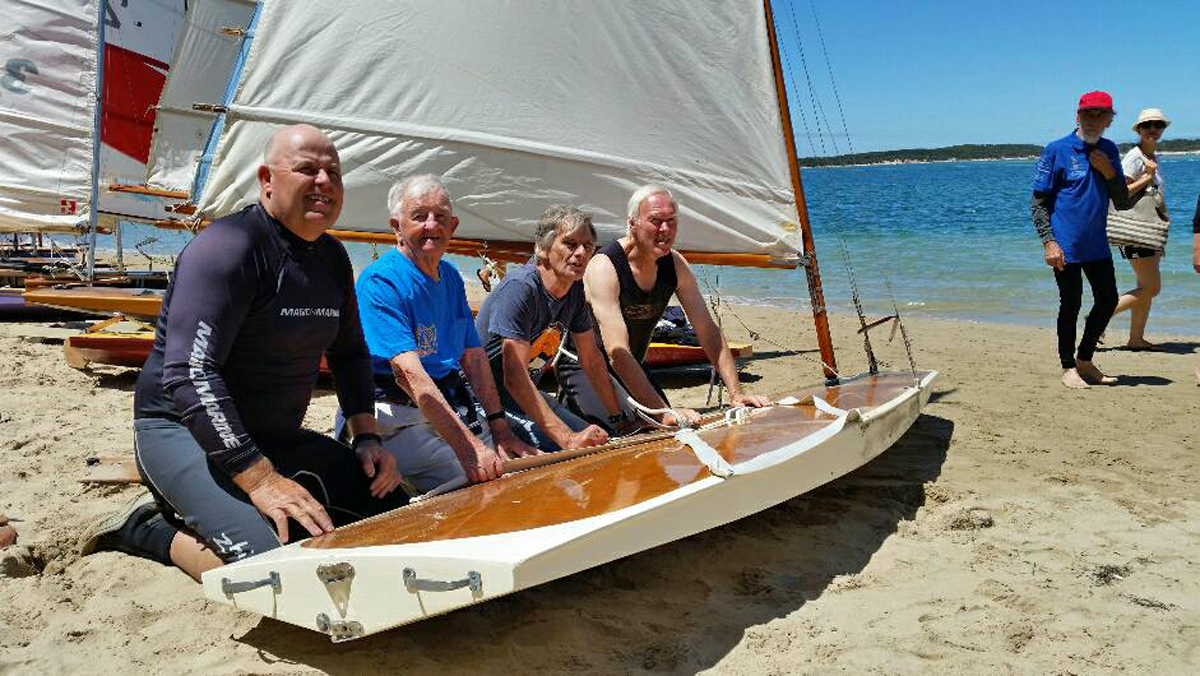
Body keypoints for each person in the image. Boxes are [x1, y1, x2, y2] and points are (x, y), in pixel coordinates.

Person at [82, 125, 407, 580]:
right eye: (307, 169)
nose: (324, 182)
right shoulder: (228, 249)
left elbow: (351, 353)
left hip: (268, 435)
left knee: (391, 504)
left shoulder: (332, 258)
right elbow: (189, 373)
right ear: (266, 179)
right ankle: (145, 528)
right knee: (270, 566)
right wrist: (259, 479)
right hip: (180, 432)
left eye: (333, 172)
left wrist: (368, 438)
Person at [353, 174, 538, 493]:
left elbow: (474, 357)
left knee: (519, 463)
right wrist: (468, 448)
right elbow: (408, 375)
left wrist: (498, 424)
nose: (431, 225)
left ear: (453, 227)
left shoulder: (450, 277)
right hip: (394, 414)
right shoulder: (379, 282)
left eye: (440, 217)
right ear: (396, 225)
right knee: (486, 485)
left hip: (447, 402)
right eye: (419, 216)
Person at [558, 184, 772, 426]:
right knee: (630, 430)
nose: (665, 229)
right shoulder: (604, 266)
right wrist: (660, 411)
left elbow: (707, 331)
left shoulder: (676, 265)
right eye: (656, 220)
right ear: (632, 223)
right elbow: (616, 351)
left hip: (632, 367)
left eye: (671, 221)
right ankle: (570, 409)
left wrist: (737, 394)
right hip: (584, 367)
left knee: (670, 430)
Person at [474, 205, 624, 452]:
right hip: (483, 402)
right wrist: (566, 439)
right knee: (572, 452)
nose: (581, 253)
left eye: (588, 246)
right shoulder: (520, 288)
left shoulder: (573, 289)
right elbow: (514, 375)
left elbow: (591, 359)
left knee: (601, 444)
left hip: (523, 397)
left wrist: (617, 418)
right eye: (570, 243)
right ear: (542, 249)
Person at [1031, 91, 1132, 389]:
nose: (1093, 120)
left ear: (1110, 120)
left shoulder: (1110, 150)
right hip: (1065, 245)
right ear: (1077, 116)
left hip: (1097, 244)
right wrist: (1049, 242)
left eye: (1100, 115)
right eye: (1088, 114)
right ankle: (1067, 367)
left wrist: (1110, 172)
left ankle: (1085, 359)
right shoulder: (1056, 150)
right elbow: (1038, 203)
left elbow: (1123, 201)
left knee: (1108, 300)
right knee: (1071, 303)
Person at [1110, 108, 1171, 350]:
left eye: (1158, 125)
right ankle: (1099, 318)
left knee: (1145, 287)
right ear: (1138, 130)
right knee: (1151, 288)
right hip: (1135, 231)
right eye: (1147, 126)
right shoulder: (1134, 158)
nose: (1153, 129)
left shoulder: (1152, 156)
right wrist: (1147, 177)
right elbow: (1120, 194)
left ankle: (1136, 338)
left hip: (1149, 232)